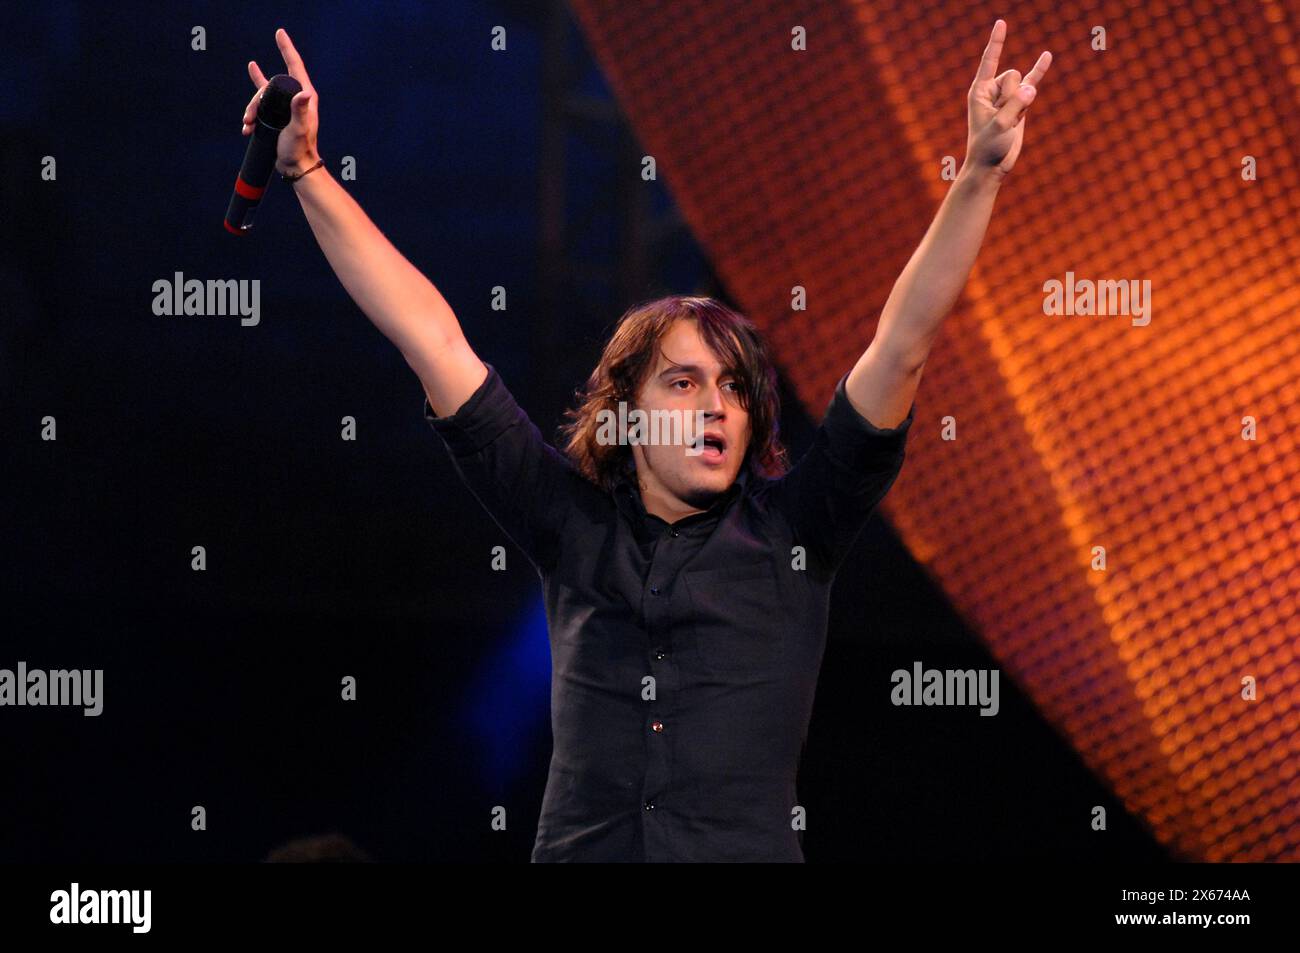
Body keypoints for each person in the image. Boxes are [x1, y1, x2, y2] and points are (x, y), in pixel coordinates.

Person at [241, 22, 1050, 861]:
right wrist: (304, 171)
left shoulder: (796, 531)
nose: (716, 406)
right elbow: (434, 340)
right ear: (627, 410)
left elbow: (903, 343)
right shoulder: (570, 522)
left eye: (735, 388)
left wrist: (978, 176)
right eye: (685, 381)